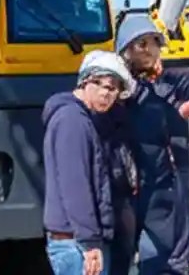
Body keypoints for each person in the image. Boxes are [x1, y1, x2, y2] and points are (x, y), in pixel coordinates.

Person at [109, 13, 189, 275]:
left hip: (163, 176)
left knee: (171, 243)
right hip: (128, 180)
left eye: (153, 43)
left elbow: (177, 95)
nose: (148, 50)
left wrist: (183, 107)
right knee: (122, 247)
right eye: (141, 44)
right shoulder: (115, 84)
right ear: (125, 50)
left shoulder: (163, 83)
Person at [43, 49, 136, 275]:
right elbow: (76, 187)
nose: (109, 95)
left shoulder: (82, 119)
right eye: (104, 86)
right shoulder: (73, 121)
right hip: (76, 245)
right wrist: (90, 242)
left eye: (115, 90)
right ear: (86, 81)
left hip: (78, 242)